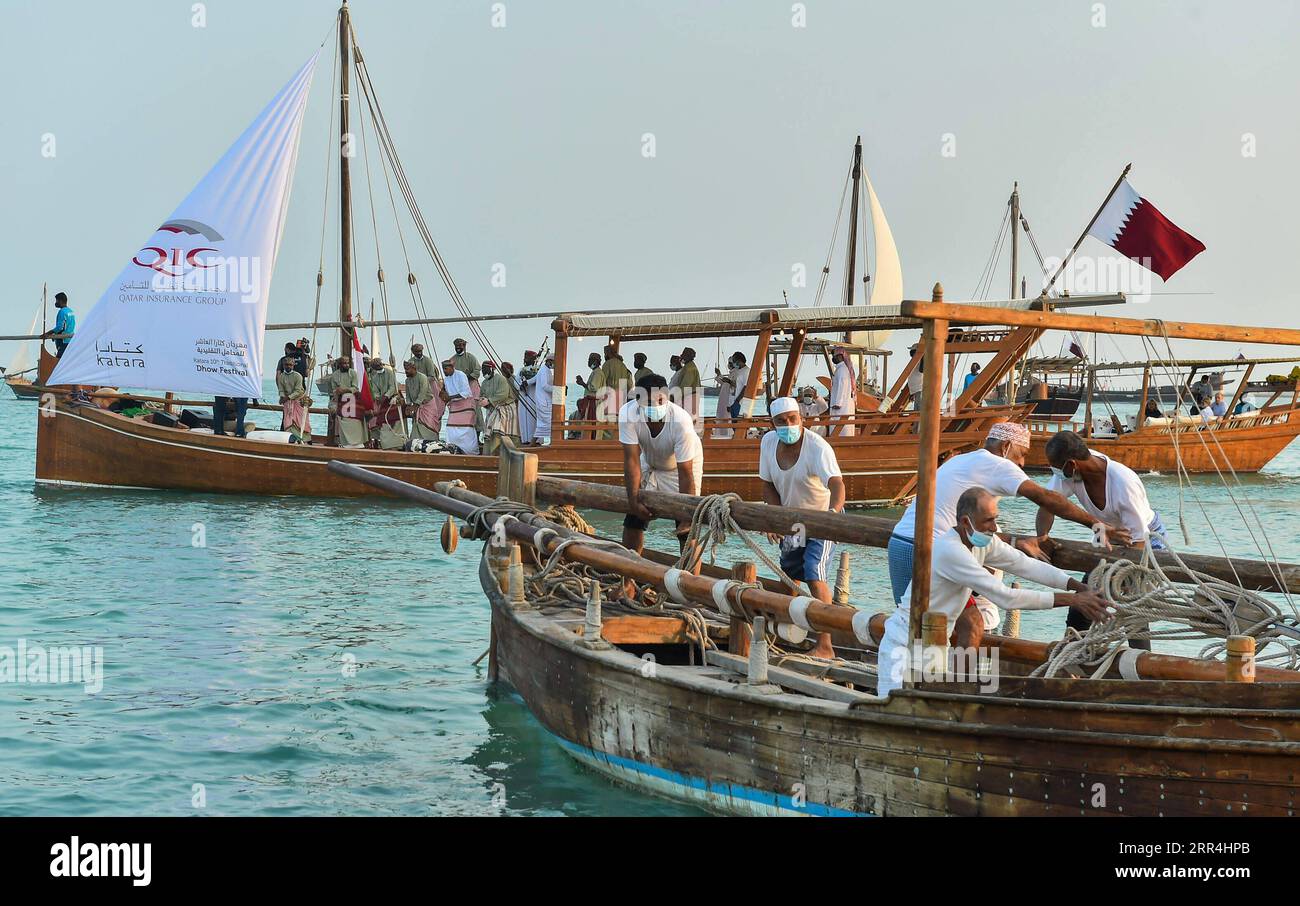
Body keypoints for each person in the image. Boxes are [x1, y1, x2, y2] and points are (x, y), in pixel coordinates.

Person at [876, 487, 1113, 696]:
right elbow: (1005, 597)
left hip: (937, 643)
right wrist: (1074, 600)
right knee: (891, 714)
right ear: (966, 522)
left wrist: (1077, 585)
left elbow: (1025, 565)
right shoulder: (950, 551)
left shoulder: (984, 540)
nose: (993, 528)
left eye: (995, 519)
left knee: (929, 712)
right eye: (988, 521)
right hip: (903, 643)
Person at [886, 422, 1132, 608]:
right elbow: (1045, 498)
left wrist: (1017, 542)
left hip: (901, 544)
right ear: (1005, 447)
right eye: (1022, 453)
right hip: (929, 549)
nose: (1023, 463)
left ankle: (926, 671)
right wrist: (1095, 523)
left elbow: (1020, 563)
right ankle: (946, 674)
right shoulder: (998, 465)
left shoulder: (962, 460)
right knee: (962, 622)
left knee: (915, 620)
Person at [1039, 430, 1166, 646]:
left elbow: (1139, 539)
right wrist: (1042, 538)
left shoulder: (1123, 484)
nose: (1054, 473)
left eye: (1056, 467)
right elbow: (1048, 504)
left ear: (1071, 465)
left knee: (1130, 605)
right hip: (1104, 532)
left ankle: (1141, 665)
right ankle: (1072, 652)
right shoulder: (1071, 474)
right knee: (1087, 595)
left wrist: (1126, 577)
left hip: (1144, 538)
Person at [759, 397, 845, 660]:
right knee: (789, 575)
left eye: (792, 419)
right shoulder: (768, 443)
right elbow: (767, 484)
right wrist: (775, 518)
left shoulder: (817, 447)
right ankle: (788, 630)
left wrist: (831, 517)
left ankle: (825, 644)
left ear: (802, 418)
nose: (788, 425)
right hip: (794, 522)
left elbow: (837, 484)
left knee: (813, 572)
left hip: (822, 518)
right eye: (781, 421)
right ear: (772, 424)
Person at [619, 373, 703, 557]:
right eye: (649, 402)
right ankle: (629, 574)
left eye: (660, 400)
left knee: (686, 528)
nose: (655, 406)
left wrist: (687, 512)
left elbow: (686, 472)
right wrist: (633, 501)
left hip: (681, 467)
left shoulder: (681, 421)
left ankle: (690, 579)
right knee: (633, 519)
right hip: (650, 463)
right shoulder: (627, 414)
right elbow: (631, 459)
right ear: (638, 401)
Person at [326, 354, 368, 448]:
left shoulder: (353, 373)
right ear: (339, 364)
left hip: (352, 398)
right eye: (344, 363)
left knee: (357, 411)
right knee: (333, 410)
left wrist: (344, 390)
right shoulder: (335, 375)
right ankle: (339, 440)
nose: (346, 365)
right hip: (338, 398)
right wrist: (337, 392)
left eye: (347, 363)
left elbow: (355, 388)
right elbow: (333, 390)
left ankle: (357, 441)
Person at [480, 360, 520, 455]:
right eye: (483, 370)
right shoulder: (484, 383)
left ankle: (497, 454)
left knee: (498, 431)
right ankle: (488, 455)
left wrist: (489, 401)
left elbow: (503, 395)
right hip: (492, 410)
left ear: (492, 369)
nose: (484, 372)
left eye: (486, 369)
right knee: (489, 433)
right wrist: (481, 400)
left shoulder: (501, 379)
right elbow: (482, 394)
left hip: (506, 409)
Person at [367, 356, 406, 450]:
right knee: (382, 421)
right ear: (374, 367)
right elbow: (375, 390)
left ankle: (399, 444)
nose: (380, 366)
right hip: (383, 402)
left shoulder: (390, 372)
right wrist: (378, 397)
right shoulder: (375, 377)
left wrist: (386, 396)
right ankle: (387, 445)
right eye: (377, 365)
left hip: (394, 398)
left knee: (397, 421)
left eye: (380, 364)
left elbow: (393, 387)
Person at [440, 358, 479, 453]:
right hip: (454, 406)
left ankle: (470, 451)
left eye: (446, 368)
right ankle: (452, 450)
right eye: (443, 368)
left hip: (466, 405)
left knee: (466, 429)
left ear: (452, 367)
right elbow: (444, 391)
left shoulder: (461, 375)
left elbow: (466, 392)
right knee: (450, 427)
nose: (444, 371)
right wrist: (442, 394)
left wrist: (450, 397)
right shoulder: (446, 379)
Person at [404, 360, 441, 443]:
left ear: (414, 368)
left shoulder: (422, 377)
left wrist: (415, 406)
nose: (405, 372)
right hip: (416, 407)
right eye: (405, 369)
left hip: (428, 406)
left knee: (429, 425)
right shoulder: (407, 380)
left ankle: (431, 443)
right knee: (416, 426)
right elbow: (408, 395)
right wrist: (408, 405)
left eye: (407, 369)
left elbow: (422, 393)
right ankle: (415, 443)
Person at [276, 355, 312, 443]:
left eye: (290, 365)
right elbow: (281, 389)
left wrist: (287, 397)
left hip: (299, 402)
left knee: (301, 422)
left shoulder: (298, 376)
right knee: (288, 421)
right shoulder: (281, 376)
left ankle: (305, 440)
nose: (288, 366)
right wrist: (282, 397)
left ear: (293, 365)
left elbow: (298, 390)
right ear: (283, 365)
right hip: (287, 403)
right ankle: (291, 439)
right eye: (286, 365)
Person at [828, 346, 857, 437]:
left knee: (841, 429)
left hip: (841, 407)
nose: (833, 358)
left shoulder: (842, 370)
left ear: (840, 356)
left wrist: (838, 403)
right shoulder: (841, 369)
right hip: (844, 405)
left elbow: (842, 387)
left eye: (834, 356)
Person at [575, 351, 605, 425]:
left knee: (590, 424)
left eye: (590, 360)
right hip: (592, 402)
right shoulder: (595, 372)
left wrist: (582, 383)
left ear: (595, 361)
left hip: (593, 403)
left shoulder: (597, 373)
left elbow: (594, 387)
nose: (588, 362)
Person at [531, 352, 555, 444]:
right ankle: (553, 443)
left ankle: (532, 444)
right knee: (549, 423)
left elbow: (533, 380)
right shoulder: (544, 371)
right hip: (544, 402)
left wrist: (526, 383)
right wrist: (557, 389)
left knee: (542, 425)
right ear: (549, 361)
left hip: (543, 402)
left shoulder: (544, 370)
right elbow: (545, 386)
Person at [713, 354, 738, 439]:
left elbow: (735, 386)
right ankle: (722, 433)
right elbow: (724, 383)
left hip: (729, 398)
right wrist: (719, 374)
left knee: (727, 416)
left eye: (730, 363)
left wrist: (729, 381)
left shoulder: (737, 373)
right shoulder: (732, 373)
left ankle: (727, 434)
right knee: (722, 415)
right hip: (724, 397)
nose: (729, 365)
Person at [517, 350, 539, 445]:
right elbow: (516, 381)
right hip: (523, 398)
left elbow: (537, 378)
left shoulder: (538, 369)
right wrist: (520, 386)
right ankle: (525, 440)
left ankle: (535, 441)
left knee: (533, 420)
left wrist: (528, 382)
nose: (525, 359)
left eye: (527, 357)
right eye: (525, 357)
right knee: (523, 419)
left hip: (533, 398)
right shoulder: (521, 370)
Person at [44, 292, 75, 358]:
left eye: (56, 300)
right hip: (70, 341)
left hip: (63, 342)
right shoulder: (70, 311)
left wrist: (48, 333)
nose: (55, 303)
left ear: (60, 301)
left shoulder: (62, 312)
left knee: (59, 363)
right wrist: (54, 335)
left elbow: (60, 328)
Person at [677, 347, 703, 423]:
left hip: (690, 398)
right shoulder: (688, 366)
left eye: (683, 354)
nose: (681, 356)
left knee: (688, 420)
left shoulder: (690, 369)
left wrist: (675, 397)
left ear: (688, 356)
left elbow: (685, 386)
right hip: (690, 397)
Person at [728, 352, 750, 419]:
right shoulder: (738, 370)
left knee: (739, 424)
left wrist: (737, 400)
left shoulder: (746, 371)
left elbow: (746, 387)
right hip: (733, 402)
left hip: (740, 403)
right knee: (734, 424)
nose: (733, 363)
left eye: (734, 361)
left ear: (739, 360)